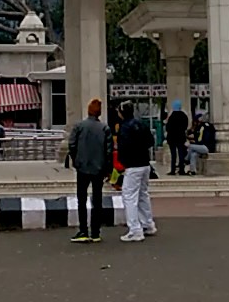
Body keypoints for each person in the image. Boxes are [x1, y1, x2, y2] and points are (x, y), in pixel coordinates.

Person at [67, 98, 112, 244]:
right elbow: (108, 151)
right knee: (97, 199)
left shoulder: (79, 126)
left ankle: (83, 230)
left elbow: (72, 144)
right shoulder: (105, 128)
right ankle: (96, 232)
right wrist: (108, 169)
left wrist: (76, 160)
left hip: (82, 167)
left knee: (82, 199)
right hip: (98, 168)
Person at [117, 102, 156, 242]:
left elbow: (122, 147)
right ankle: (148, 223)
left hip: (132, 165)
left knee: (129, 196)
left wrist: (123, 162)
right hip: (144, 163)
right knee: (143, 194)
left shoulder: (124, 127)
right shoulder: (141, 124)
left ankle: (135, 229)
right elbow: (150, 141)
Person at [164, 100, 190, 176]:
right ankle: (181, 170)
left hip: (172, 138)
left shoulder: (171, 116)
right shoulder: (184, 116)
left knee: (173, 155)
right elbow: (185, 127)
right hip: (181, 137)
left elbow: (167, 128)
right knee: (181, 154)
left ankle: (173, 170)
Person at [186, 111, 216, 176]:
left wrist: (196, 142)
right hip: (200, 146)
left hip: (207, 147)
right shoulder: (199, 127)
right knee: (193, 154)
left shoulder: (207, 126)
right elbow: (196, 136)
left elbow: (206, 139)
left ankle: (186, 160)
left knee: (190, 146)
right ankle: (192, 171)